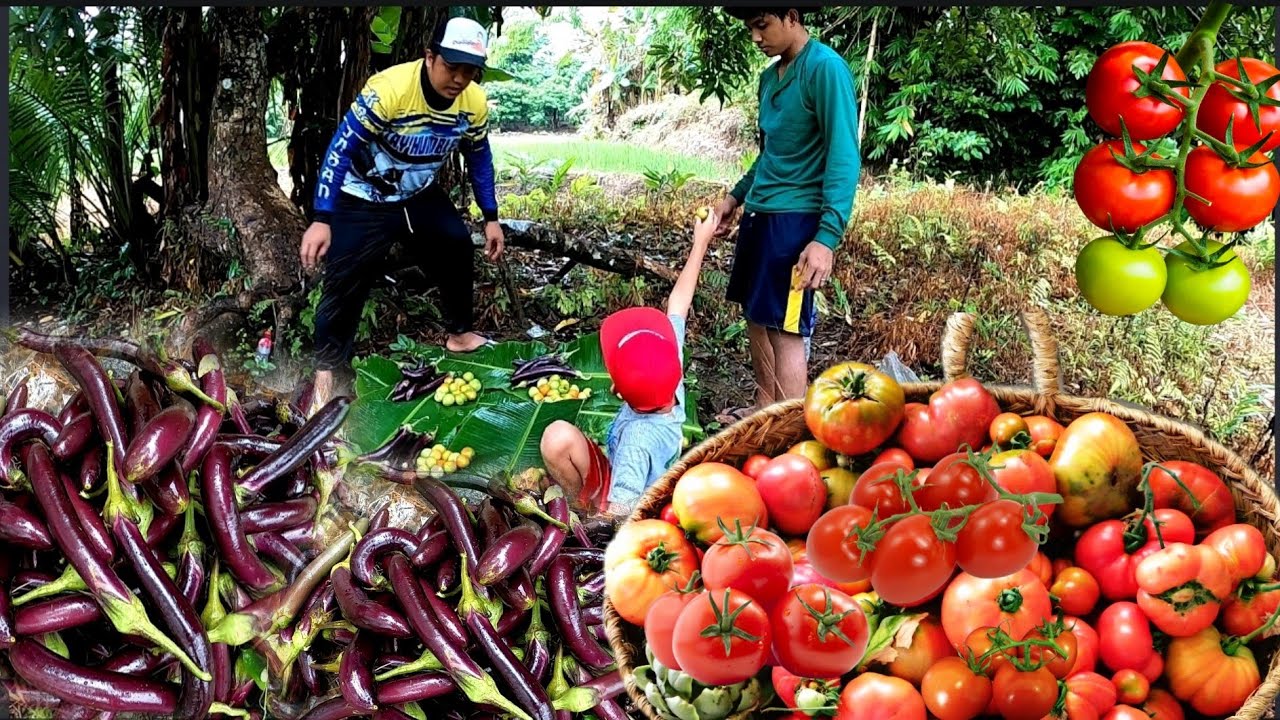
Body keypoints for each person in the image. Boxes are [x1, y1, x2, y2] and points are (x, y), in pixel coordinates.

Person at [299, 17, 506, 410]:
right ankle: (326, 372)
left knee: (456, 245)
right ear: (430, 57)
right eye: (452, 66)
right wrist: (322, 217)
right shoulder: (389, 91)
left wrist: (490, 215)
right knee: (344, 280)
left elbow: (479, 157)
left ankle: (460, 334)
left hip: (417, 193)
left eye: (469, 71)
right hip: (363, 194)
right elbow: (341, 148)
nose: (459, 79)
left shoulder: (473, 103)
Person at [712, 7, 861, 424]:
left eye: (762, 25)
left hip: (795, 221)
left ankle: (789, 430)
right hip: (760, 214)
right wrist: (735, 198)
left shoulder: (825, 69)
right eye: (750, 29)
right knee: (756, 314)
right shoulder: (769, 78)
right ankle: (764, 407)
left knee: (785, 327)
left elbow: (844, 156)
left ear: (791, 16)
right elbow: (770, 155)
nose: (756, 38)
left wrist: (826, 237)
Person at [538, 211, 718, 519]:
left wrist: (598, 527)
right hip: (650, 470)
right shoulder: (669, 369)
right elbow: (679, 305)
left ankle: (581, 510)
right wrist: (700, 242)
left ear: (618, 391)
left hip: (634, 498)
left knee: (557, 438)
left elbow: (622, 511)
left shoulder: (636, 443)